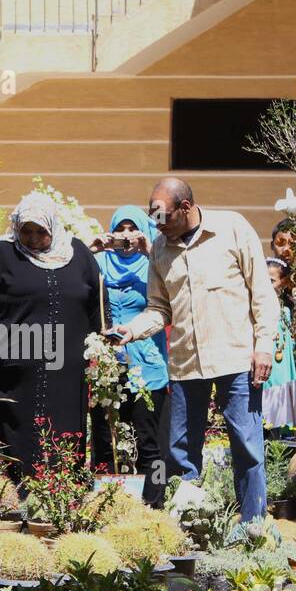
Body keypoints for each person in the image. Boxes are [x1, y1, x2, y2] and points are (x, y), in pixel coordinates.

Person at [113, 178, 279, 522]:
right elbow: (159, 308)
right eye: (155, 220)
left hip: (237, 360)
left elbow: (262, 293)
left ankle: (254, 529)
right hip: (187, 365)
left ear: (185, 207)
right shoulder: (160, 248)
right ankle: (187, 527)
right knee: (179, 452)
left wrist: (263, 346)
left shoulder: (232, 228)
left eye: (165, 219)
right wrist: (130, 331)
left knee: (247, 448)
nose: (159, 228)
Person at [0, 191, 102, 481]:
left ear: (53, 227)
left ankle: (61, 500)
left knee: (63, 437)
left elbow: (96, 308)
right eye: (25, 231)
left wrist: (97, 354)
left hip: (67, 375)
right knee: (12, 440)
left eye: (40, 232)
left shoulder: (78, 254)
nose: (32, 238)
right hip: (11, 374)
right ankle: (4, 502)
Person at [87, 205, 170, 507]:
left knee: (150, 444)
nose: (125, 236)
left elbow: (177, 289)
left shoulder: (156, 264)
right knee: (104, 442)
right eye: (119, 229)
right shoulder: (96, 263)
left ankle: (155, 508)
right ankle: (106, 507)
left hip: (147, 369)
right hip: (106, 370)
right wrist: (89, 249)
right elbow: (68, 283)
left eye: (132, 228)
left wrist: (151, 251)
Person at [262, 257, 296, 436]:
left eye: (271, 281)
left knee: (280, 413)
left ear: (284, 283)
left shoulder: (287, 311)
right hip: (263, 365)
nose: (265, 285)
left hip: (281, 368)